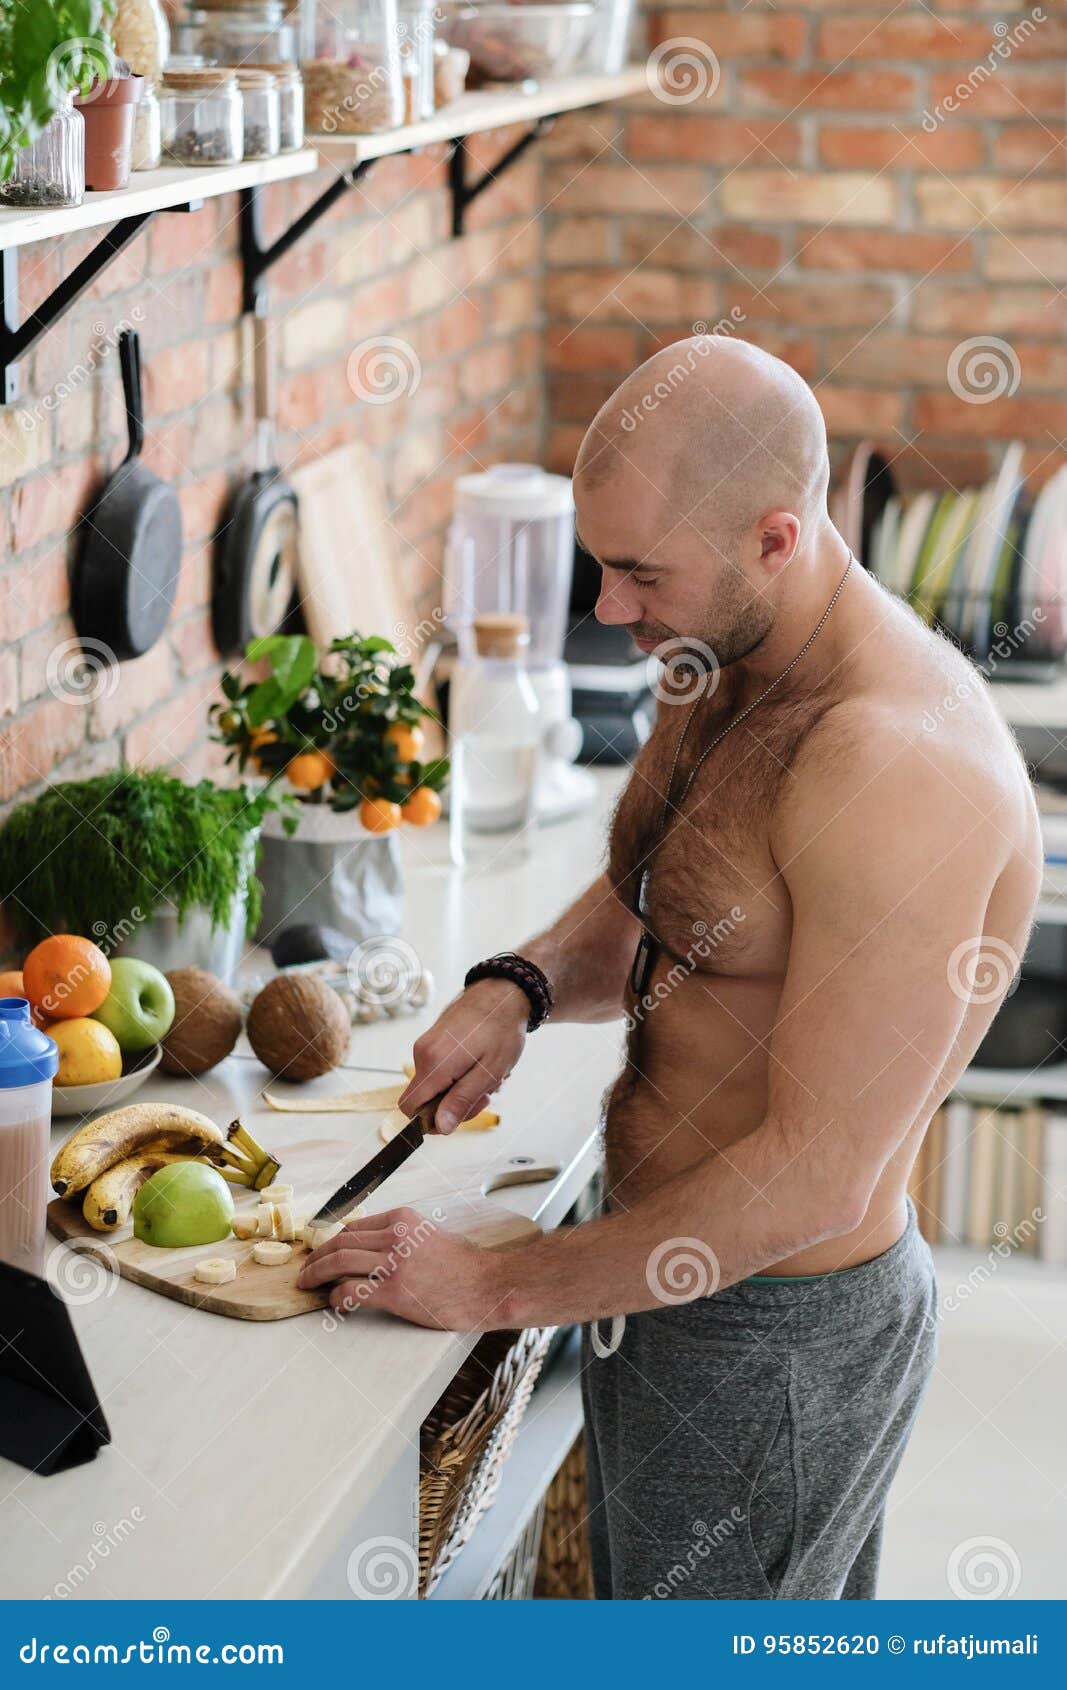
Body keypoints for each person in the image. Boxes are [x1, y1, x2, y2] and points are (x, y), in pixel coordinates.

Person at [299, 336, 1042, 1599]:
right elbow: (676, 891)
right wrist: (519, 985)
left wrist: (488, 1283)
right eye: (603, 562)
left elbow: (814, 1176)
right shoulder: (717, 652)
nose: (606, 608)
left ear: (774, 538)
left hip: (775, 1347)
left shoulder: (894, 767)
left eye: (638, 571)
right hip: (654, 1284)